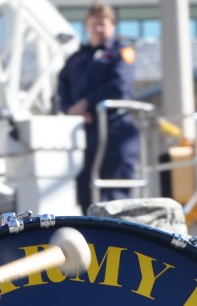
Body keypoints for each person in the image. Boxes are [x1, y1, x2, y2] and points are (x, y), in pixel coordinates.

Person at [58, 2, 139, 211]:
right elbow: (62, 88)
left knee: (115, 193)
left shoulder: (121, 53)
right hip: (83, 133)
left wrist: (87, 103)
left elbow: (119, 85)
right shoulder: (76, 58)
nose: (98, 29)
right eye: (94, 24)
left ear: (112, 25)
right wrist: (70, 110)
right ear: (87, 26)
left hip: (116, 130)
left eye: (103, 24)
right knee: (86, 192)